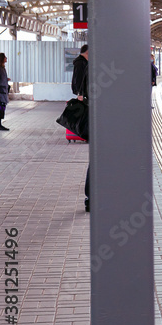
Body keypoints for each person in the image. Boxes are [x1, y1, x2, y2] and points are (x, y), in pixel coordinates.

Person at [72, 44, 89, 211]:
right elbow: (78, 81)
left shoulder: (84, 63)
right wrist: (80, 94)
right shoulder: (80, 63)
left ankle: (90, 198)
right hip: (82, 98)